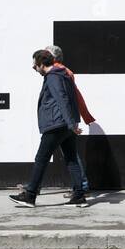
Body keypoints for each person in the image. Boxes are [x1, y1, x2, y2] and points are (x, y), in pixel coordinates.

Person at [10, 49, 89, 207]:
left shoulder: (53, 77)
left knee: (41, 159)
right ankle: (79, 196)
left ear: (41, 63)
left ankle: (30, 195)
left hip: (57, 125)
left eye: (35, 64)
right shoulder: (63, 74)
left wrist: (70, 123)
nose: (34, 68)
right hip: (66, 124)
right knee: (72, 159)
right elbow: (71, 98)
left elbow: (62, 100)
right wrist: (72, 122)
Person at [46, 44, 95, 197]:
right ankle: (80, 187)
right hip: (66, 118)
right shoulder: (61, 71)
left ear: (52, 57)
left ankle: (81, 186)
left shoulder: (60, 72)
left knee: (67, 155)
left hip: (63, 120)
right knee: (71, 155)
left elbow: (67, 97)